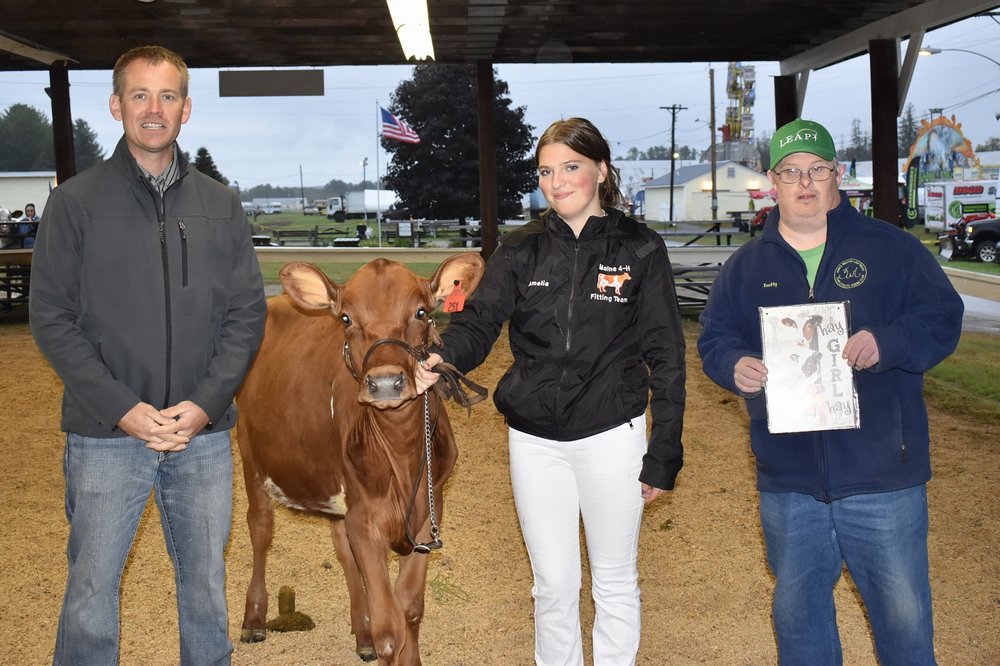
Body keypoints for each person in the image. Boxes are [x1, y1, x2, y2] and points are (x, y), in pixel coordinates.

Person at [415, 117, 686, 665]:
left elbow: (668, 356)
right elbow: (480, 323)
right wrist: (442, 356)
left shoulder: (641, 249)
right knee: (552, 586)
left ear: (601, 170)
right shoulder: (522, 249)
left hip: (613, 436)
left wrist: (665, 452)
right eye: (545, 171)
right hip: (535, 442)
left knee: (613, 582)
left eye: (571, 167)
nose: (557, 181)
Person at [29, 45, 267, 666]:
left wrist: (206, 404)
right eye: (140, 95)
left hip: (202, 436)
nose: (153, 109)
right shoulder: (75, 204)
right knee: (89, 592)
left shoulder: (222, 205)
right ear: (116, 105)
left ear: (186, 109)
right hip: (107, 436)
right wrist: (121, 408)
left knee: (205, 591)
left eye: (167, 97)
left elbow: (246, 314)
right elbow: (50, 317)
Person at [698, 118, 964, 665]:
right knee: (801, 627)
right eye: (792, 172)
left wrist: (888, 342)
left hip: (882, 477)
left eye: (817, 170)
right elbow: (715, 337)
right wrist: (735, 365)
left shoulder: (892, 249)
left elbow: (942, 318)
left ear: (836, 174)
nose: (805, 183)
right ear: (773, 180)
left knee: (905, 625)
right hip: (791, 481)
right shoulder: (747, 267)